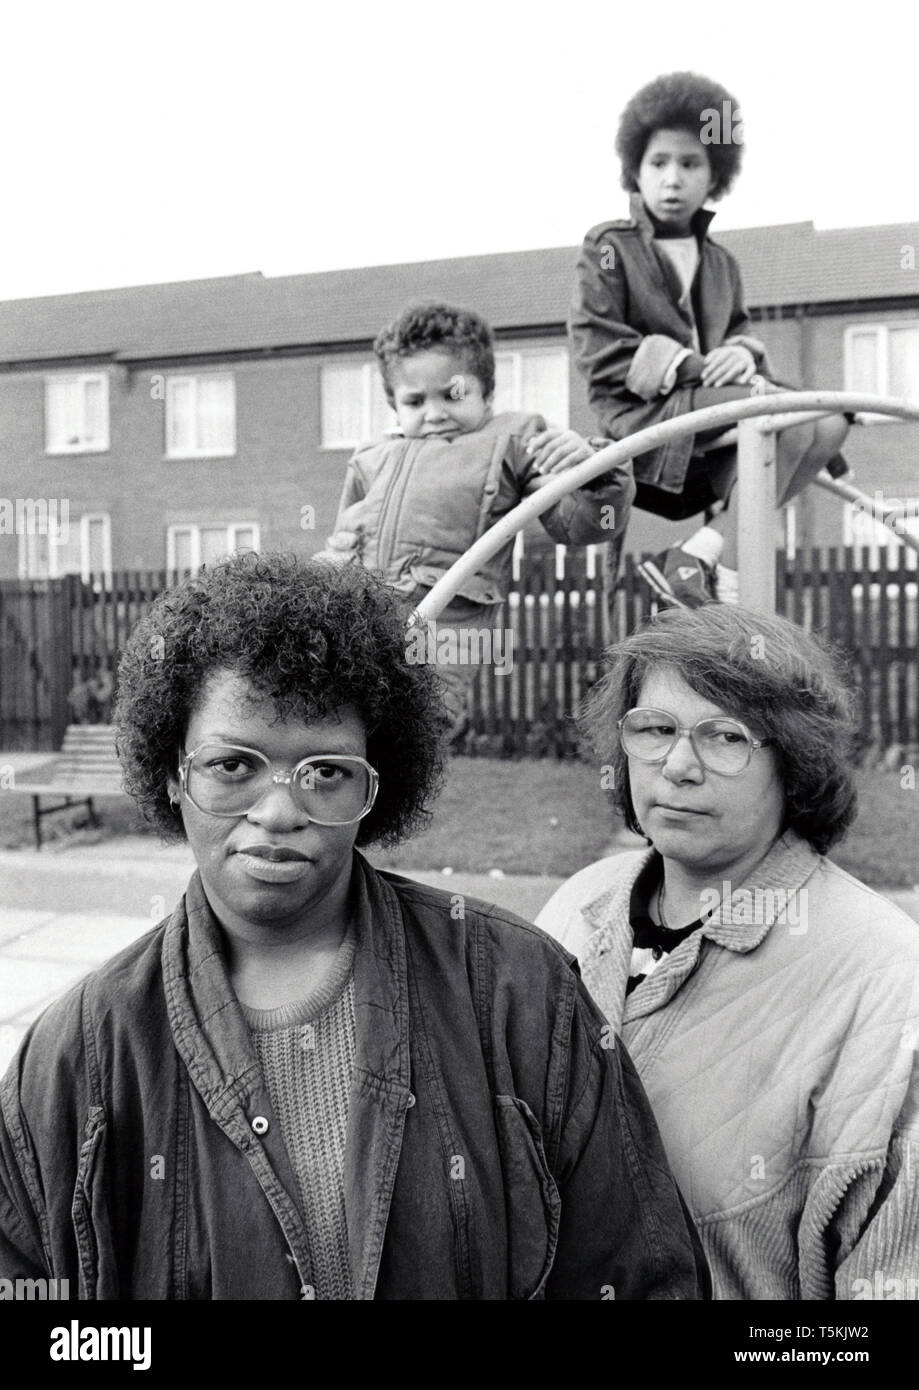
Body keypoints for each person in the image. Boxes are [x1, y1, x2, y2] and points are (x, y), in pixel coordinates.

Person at [0, 551, 708, 1301]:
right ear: (175, 772)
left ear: (379, 782)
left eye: (325, 772)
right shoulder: (84, 1047)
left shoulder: (516, 989)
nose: (277, 812)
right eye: (232, 766)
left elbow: (641, 1275)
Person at [536, 603, 919, 1300]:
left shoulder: (888, 983)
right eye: (654, 729)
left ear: (795, 762)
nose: (678, 766)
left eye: (725, 736)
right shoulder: (574, 907)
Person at [570, 71, 850, 607]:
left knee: (831, 422)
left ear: (714, 173)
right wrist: (697, 365)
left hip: (719, 410)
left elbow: (738, 331)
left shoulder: (721, 262)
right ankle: (713, 562)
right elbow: (597, 349)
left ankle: (699, 553)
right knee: (782, 412)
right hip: (647, 413)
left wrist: (738, 351)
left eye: (690, 163)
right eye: (658, 163)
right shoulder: (609, 246)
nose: (672, 179)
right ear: (635, 167)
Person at [317, 302, 635, 735]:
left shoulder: (513, 441)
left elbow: (584, 525)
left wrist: (597, 476)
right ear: (394, 406)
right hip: (360, 618)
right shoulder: (370, 458)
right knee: (336, 722)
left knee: (413, 728)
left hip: (447, 630)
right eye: (415, 401)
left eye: (452, 394)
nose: (433, 412)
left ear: (486, 391)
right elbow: (342, 538)